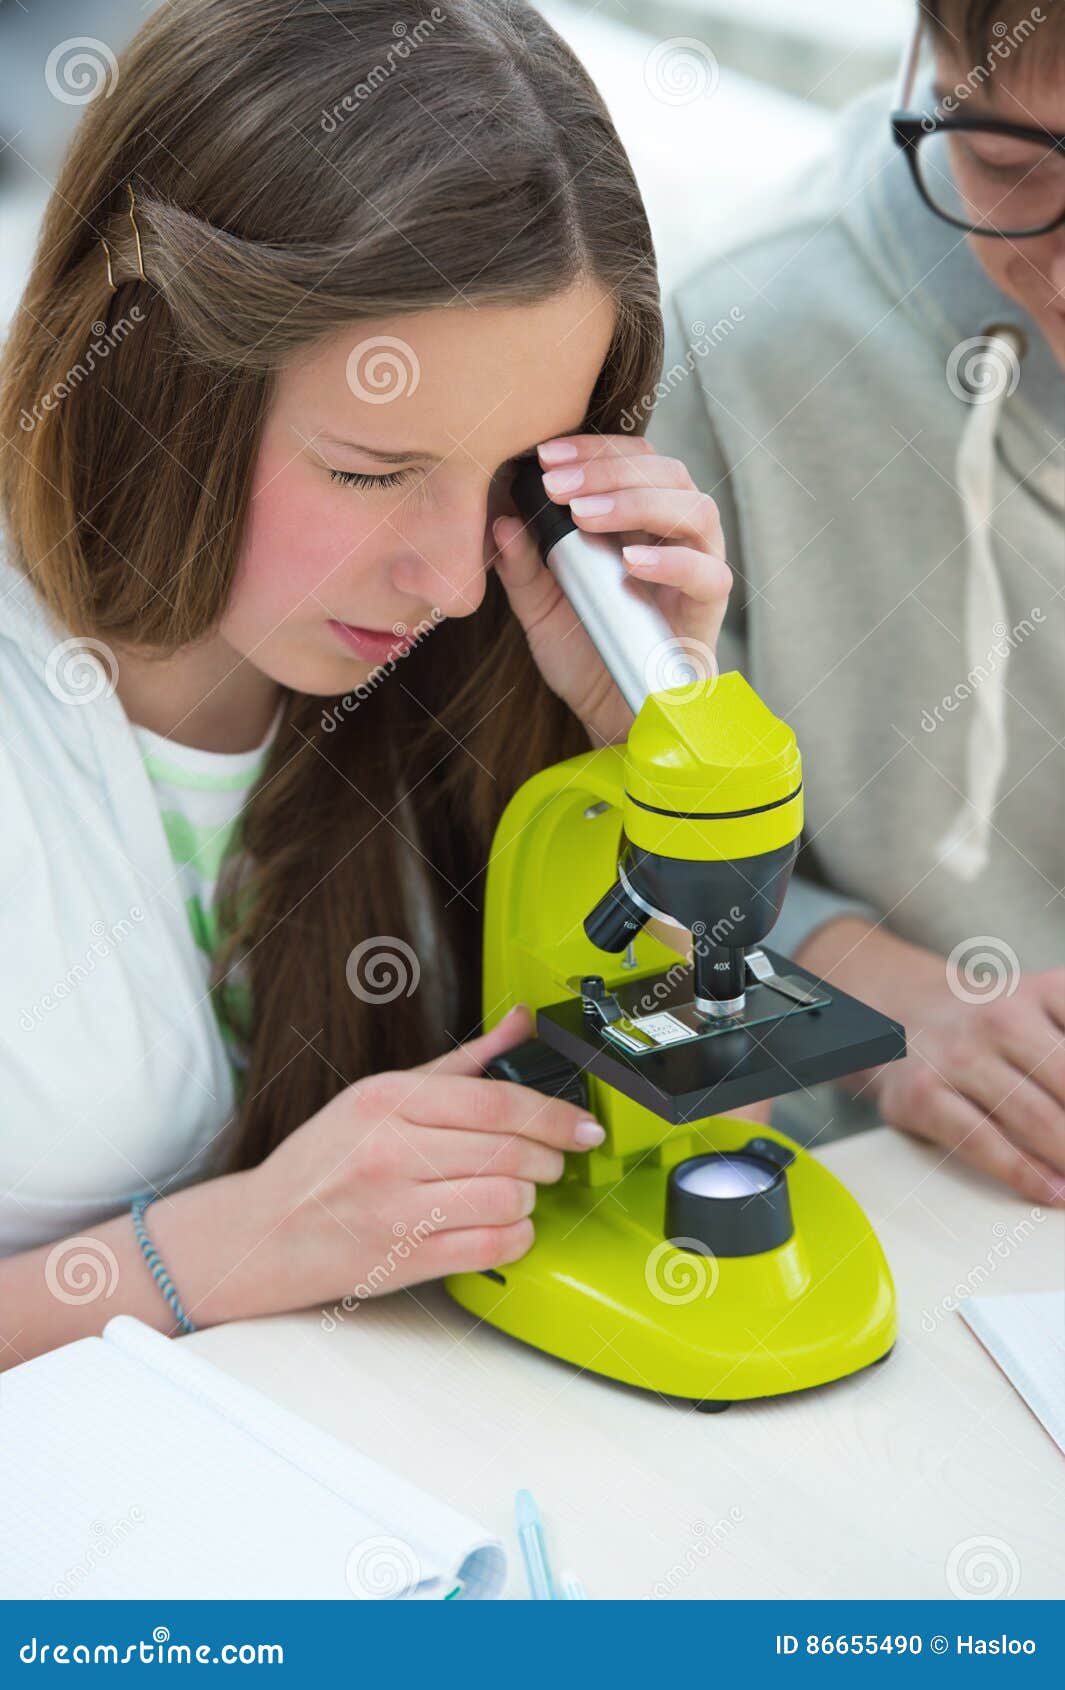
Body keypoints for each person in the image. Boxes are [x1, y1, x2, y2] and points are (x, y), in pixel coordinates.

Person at [0, 0, 731, 1364]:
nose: (453, 581)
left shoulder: (491, 631)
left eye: (513, 470)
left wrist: (656, 753)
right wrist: (228, 1243)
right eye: (373, 470)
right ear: (149, 370)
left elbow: (671, 1134)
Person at [647, 0, 1064, 1204]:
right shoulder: (743, 344)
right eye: (1005, 163)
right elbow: (601, 836)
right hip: (896, 1185)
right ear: (925, 69)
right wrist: (900, 1002)